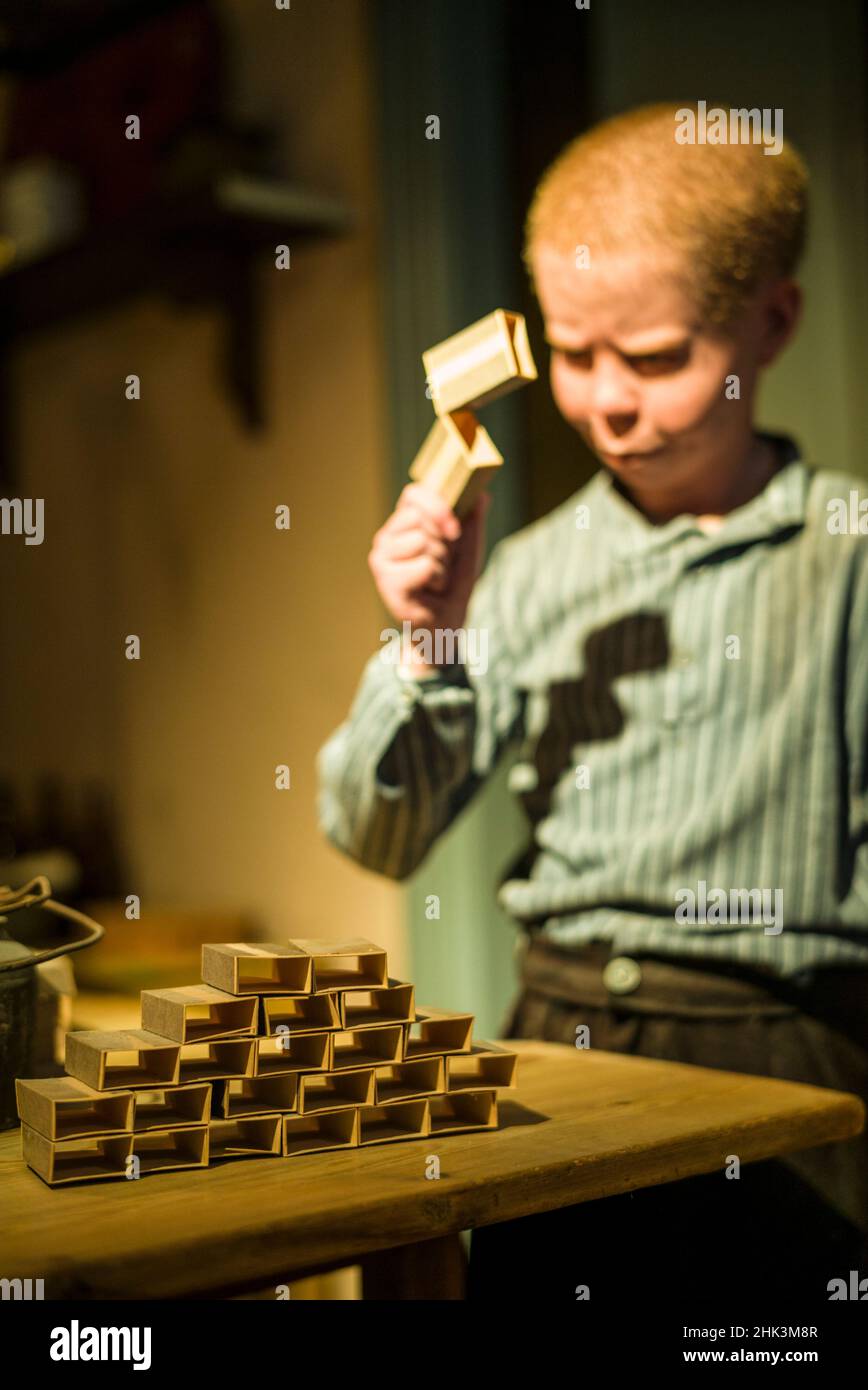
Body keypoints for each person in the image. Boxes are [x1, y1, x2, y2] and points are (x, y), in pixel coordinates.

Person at [316, 102, 868, 1301]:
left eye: (658, 359)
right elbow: (376, 832)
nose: (607, 402)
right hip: (554, 1043)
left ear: (771, 322)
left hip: (783, 1056)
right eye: (572, 355)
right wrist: (430, 638)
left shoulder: (850, 558)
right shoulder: (524, 572)